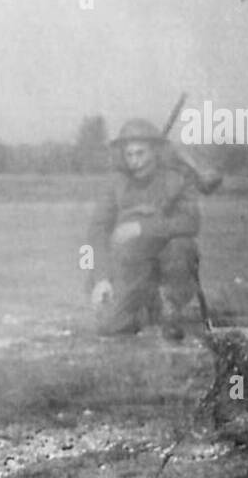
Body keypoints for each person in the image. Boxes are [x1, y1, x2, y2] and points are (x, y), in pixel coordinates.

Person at [86, 118, 202, 340]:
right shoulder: (115, 183)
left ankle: (170, 307)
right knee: (111, 325)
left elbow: (190, 222)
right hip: (131, 264)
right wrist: (101, 277)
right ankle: (146, 305)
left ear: (155, 152)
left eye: (141, 154)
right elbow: (97, 230)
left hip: (168, 258)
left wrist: (142, 228)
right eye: (129, 155)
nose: (135, 162)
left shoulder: (176, 179)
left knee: (181, 246)